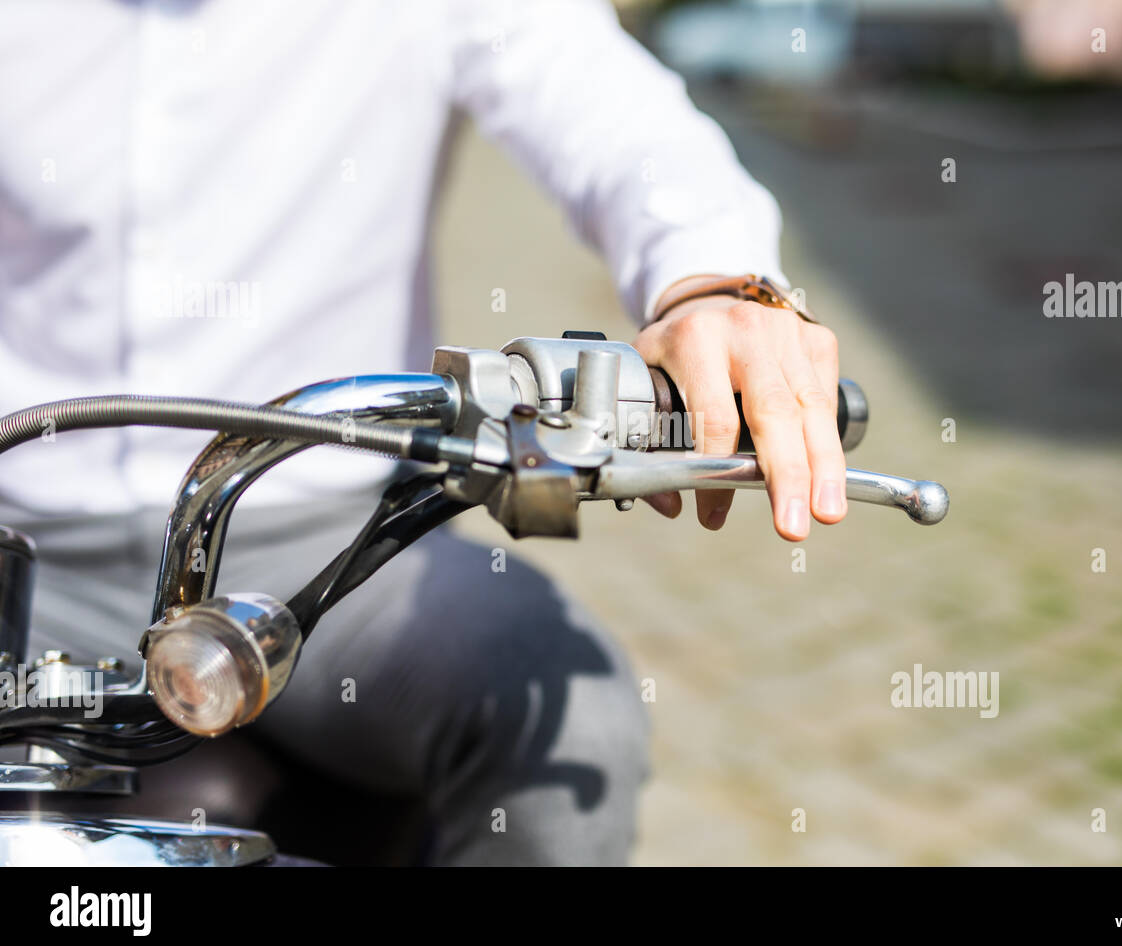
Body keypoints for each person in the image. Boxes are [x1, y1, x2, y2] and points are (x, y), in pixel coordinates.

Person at [0, 0, 846, 864]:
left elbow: (610, 110)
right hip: (21, 535)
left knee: (569, 717)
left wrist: (713, 286)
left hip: (335, 545)